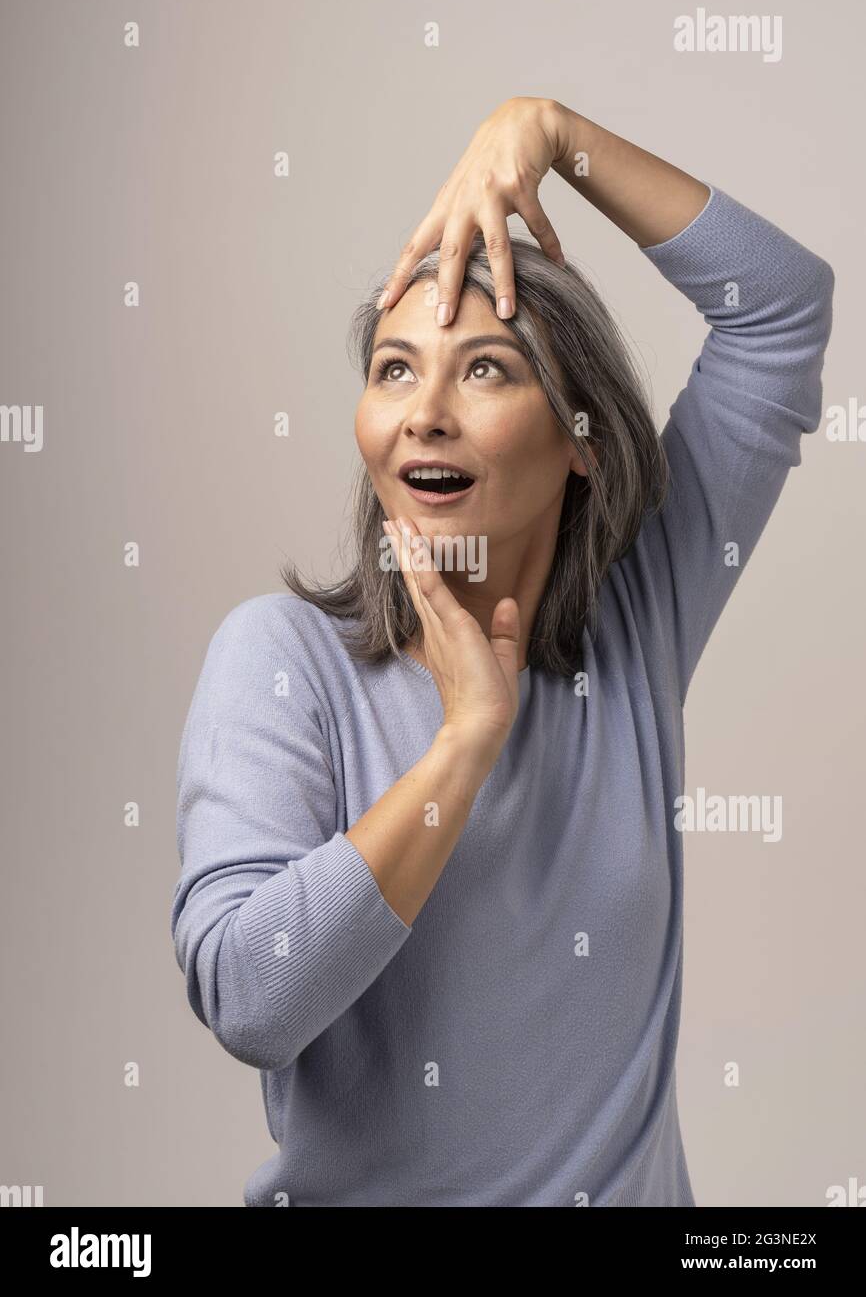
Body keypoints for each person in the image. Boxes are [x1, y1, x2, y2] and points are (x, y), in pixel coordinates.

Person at [171, 98, 834, 1206]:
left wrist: (548, 133)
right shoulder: (282, 660)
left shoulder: (638, 623)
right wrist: (461, 750)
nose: (422, 411)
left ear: (579, 440)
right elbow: (250, 1000)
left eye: (483, 369)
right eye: (391, 368)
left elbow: (778, 307)